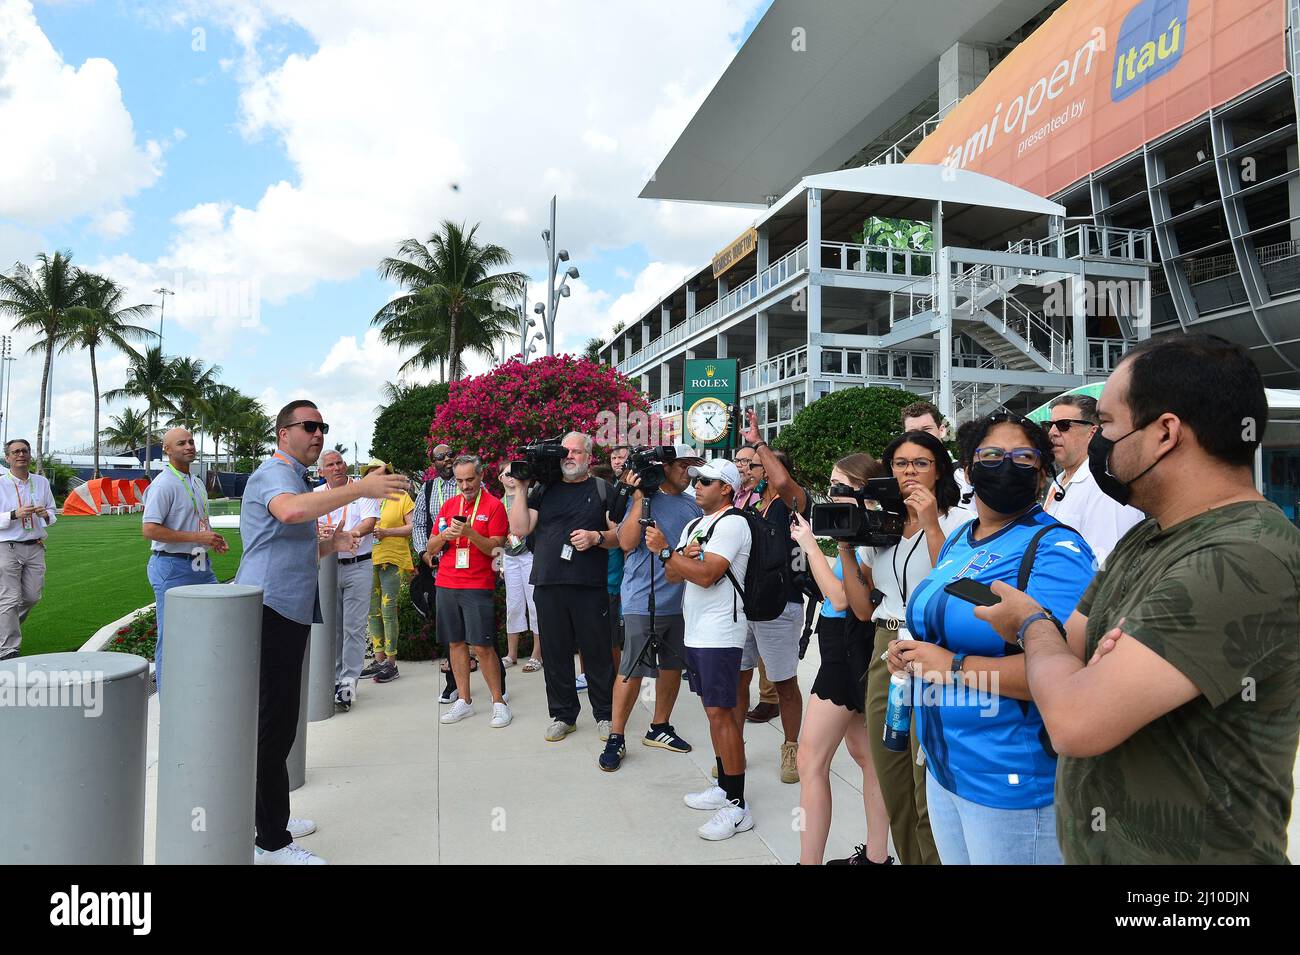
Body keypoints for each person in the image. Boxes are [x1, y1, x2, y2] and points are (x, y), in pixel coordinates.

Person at [974, 334, 1300, 864]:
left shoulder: (1243, 557)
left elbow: (1075, 719)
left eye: (1104, 424)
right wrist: (1073, 664)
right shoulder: (1147, 536)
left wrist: (1032, 623)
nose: (1095, 441)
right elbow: (1074, 650)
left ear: (1164, 433)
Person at [887, 411, 1095, 865]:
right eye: (992, 455)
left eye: (1023, 456)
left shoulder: (1056, 548)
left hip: (1010, 778)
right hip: (946, 768)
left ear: (1042, 471)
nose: (1007, 464)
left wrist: (953, 666)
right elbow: (937, 621)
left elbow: (1066, 672)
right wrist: (908, 654)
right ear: (968, 467)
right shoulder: (961, 538)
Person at [237, 399, 407, 865]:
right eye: (309, 426)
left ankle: (271, 818)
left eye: (323, 427)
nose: (318, 434)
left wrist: (331, 542)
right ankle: (269, 842)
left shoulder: (294, 476)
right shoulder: (275, 474)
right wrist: (358, 489)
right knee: (273, 724)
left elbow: (287, 544)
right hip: (271, 610)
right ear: (283, 432)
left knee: (280, 722)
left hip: (285, 610)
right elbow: (290, 513)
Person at [843, 429, 969, 866]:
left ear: (940, 470)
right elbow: (861, 608)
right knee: (891, 771)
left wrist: (931, 522)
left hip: (930, 647)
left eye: (921, 463)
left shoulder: (959, 520)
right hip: (885, 645)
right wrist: (845, 547)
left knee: (924, 779)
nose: (909, 472)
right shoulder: (886, 525)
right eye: (900, 464)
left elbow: (951, 586)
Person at [789, 454, 892, 865]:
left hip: (848, 652)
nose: (830, 496)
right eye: (830, 487)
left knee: (810, 759)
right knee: (867, 758)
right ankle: (877, 856)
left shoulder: (870, 537)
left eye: (839, 488)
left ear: (865, 494)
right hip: (847, 648)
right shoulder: (860, 533)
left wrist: (810, 544)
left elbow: (840, 597)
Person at [648, 459, 754, 841]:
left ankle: (738, 806)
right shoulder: (696, 524)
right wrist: (677, 559)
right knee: (714, 714)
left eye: (705, 481)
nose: (697, 486)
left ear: (725, 488)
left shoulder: (733, 523)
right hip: (697, 631)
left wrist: (667, 552)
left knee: (721, 714)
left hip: (721, 632)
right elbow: (675, 574)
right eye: (695, 480)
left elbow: (706, 576)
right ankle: (725, 787)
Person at [598, 444, 703, 772]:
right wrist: (641, 495)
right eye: (683, 466)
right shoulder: (638, 499)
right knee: (631, 668)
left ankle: (659, 726)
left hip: (680, 600)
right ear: (667, 467)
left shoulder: (692, 505)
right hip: (641, 599)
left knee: (671, 665)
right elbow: (627, 542)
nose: (689, 473)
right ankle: (617, 735)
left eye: (692, 467)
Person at [507, 432, 619, 742]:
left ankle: (605, 715)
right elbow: (518, 529)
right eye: (565, 451)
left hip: (589, 585)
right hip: (548, 581)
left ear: (588, 457)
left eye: (576, 452)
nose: (569, 456)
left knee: (597, 653)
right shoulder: (544, 490)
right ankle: (563, 715)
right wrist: (522, 486)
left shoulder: (602, 489)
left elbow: (622, 537)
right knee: (555, 655)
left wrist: (596, 538)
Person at [737, 411, 807, 783]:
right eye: (744, 464)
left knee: (784, 682)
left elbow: (782, 480)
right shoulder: (746, 503)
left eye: (753, 464)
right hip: (744, 603)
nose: (747, 469)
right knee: (738, 679)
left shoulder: (790, 503)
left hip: (781, 603)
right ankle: (734, 747)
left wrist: (759, 442)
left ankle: (791, 747)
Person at [141, 427, 229, 694]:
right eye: (181, 443)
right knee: (172, 636)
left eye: (191, 442)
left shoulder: (196, 481)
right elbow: (150, 530)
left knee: (217, 622)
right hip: (172, 566)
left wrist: (210, 539)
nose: (189, 446)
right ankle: (169, 697)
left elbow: (197, 523)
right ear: (166, 450)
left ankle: (200, 684)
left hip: (200, 565)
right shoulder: (164, 484)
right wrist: (196, 536)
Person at [431, 455, 511, 728]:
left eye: (470, 479)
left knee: (482, 645)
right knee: (455, 643)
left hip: (477, 584)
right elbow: (431, 547)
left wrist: (469, 532)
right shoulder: (448, 506)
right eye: (460, 480)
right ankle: (463, 700)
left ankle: (498, 702)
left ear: (480, 477)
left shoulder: (494, 506)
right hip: (447, 582)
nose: (465, 485)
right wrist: (444, 537)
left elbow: (496, 549)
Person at [1042, 394, 1143, 567]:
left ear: (1092, 432)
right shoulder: (1059, 482)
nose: (1052, 433)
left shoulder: (1105, 486)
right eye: (1049, 425)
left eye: (1063, 425)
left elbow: (1106, 564)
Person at [314, 450, 380, 711]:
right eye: (330, 465)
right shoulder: (317, 496)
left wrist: (349, 534)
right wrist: (322, 532)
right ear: (321, 471)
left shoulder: (361, 491)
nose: (337, 467)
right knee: (332, 627)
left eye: (340, 462)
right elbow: (310, 524)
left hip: (357, 565)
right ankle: (333, 678)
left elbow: (369, 522)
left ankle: (348, 683)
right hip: (326, 567)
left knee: (353, 627)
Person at [0, 439, 56, 660]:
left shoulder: (41, 482)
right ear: (8, 458)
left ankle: (5, 628)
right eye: (15, 452)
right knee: (9, 598)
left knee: (32, 596)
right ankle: (8, 649)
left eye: (24, 451)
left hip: (34, 546)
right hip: (7, 546)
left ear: (30, 455)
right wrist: (14, 514)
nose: (20, 455)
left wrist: (45, 514)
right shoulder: (1, 483)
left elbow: (52, 513)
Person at [413, 444, 461, 703]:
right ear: (434, 463)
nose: (448, 459)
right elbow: (419, 523)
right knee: (450, 629)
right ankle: (453, 683)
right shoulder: (429, 489)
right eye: (441, 457)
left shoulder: (468, 482)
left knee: (481, 628)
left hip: (468, 567)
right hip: (440, 570)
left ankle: (498, 684)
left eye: (450, 454)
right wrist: (423, 553)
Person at [363, 460, 412, 685]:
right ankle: (379, 657)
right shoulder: (363, 500)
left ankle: (391, 663)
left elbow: (412, 526)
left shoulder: (401, 498)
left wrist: (387, 532)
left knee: (388, 608)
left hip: (392, 558)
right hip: (367, 559)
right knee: (373, 611)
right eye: (372, 475)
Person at [498, 461, 541, 672]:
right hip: (509, 556)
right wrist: (498, 563)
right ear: (501, 479)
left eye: (514, 472)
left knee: (535, 604)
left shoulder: (531, 495)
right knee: (513, 604)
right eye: (507, 473)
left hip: (530, 555)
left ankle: (536, 654)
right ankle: (511, 653)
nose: (512, 476)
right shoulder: (499, 502)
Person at [902, 400, 972, 501]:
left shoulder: (965, 472)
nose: (920, 436)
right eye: (913, 432)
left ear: (942, 431)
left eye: (926, 429)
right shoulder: (899, 475)